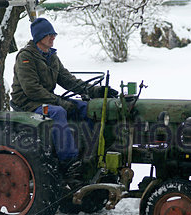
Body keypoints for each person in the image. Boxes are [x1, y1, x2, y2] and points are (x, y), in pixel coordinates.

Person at [11, 18, 117, 169]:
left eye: (54, 34)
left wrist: (95, 90)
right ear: (39, 37)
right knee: (58, 112)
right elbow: (32, 89)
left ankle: (90, 152)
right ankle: (69, 161)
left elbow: (68, 80)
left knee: (85, 107)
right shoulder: (26, 57)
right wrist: (59, 102)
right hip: (28, 102)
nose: (53, 37)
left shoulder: (51, 57)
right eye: (49, 34)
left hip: (46, 98)